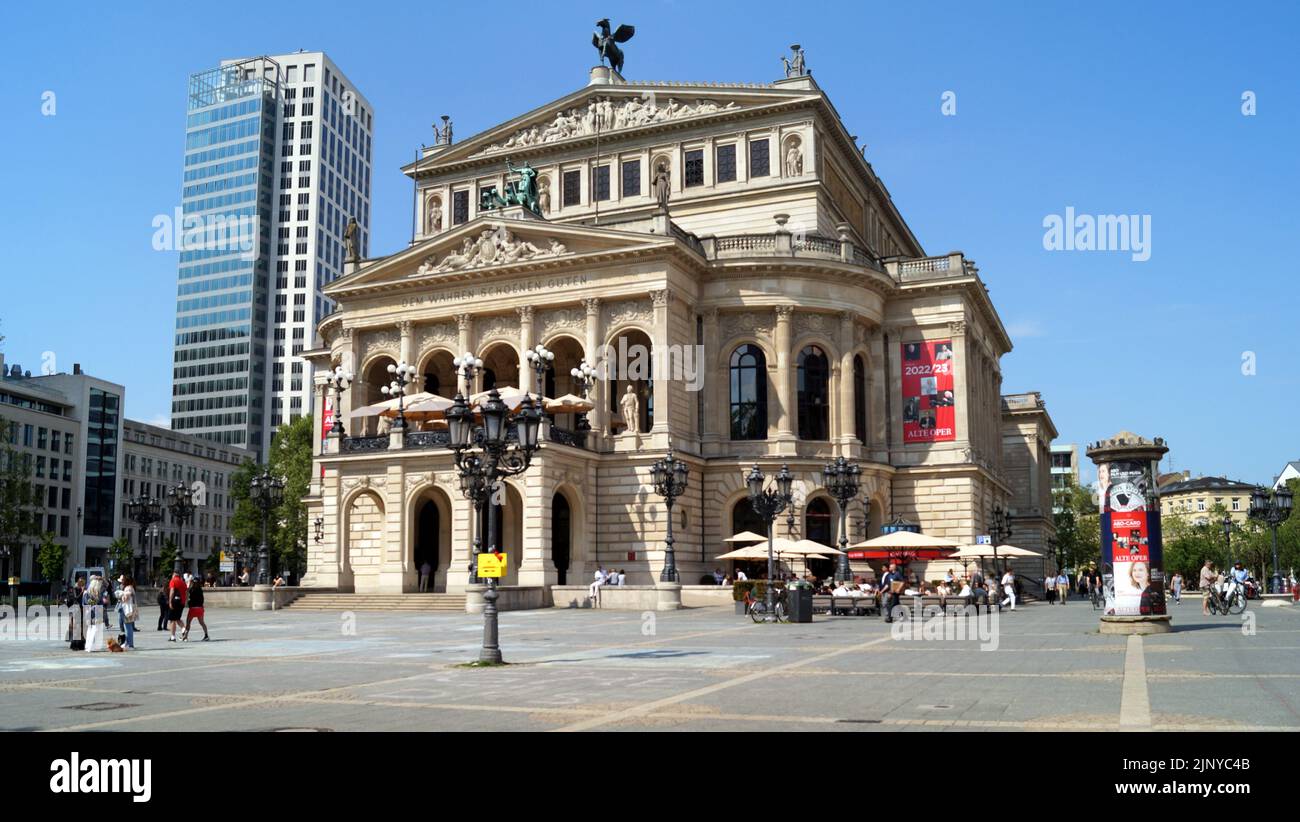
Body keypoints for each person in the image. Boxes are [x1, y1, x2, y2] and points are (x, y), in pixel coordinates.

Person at [181, 575, 209, 642]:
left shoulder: (191, 589)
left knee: (188, 623)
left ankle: (185, 636)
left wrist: (189, 583)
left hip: (193, 609)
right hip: (200, 608)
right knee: (202, 622)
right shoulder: (200, 589)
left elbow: (187, 592)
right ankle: (206, 635)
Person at [166, 571, 188, 642]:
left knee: (172, 620)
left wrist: (170, 601)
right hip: (181, 603)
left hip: (175, 602)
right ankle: (184, 629)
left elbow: (172, 591)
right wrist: (185, 602)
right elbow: (186, 592)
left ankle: (173, 637)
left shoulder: (173, 581)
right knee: (178, 618)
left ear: (174, 575)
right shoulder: (183, 582)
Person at [118, 575, 138, 649]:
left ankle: (129, 644)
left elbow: (126, 598)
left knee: (128, 627)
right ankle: (129, 643)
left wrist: (121, 596)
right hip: (131, 609)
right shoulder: (131, 587)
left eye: (123, 580)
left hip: (127, 610)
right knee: (129, 626)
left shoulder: (128, 588)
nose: (122, 581)